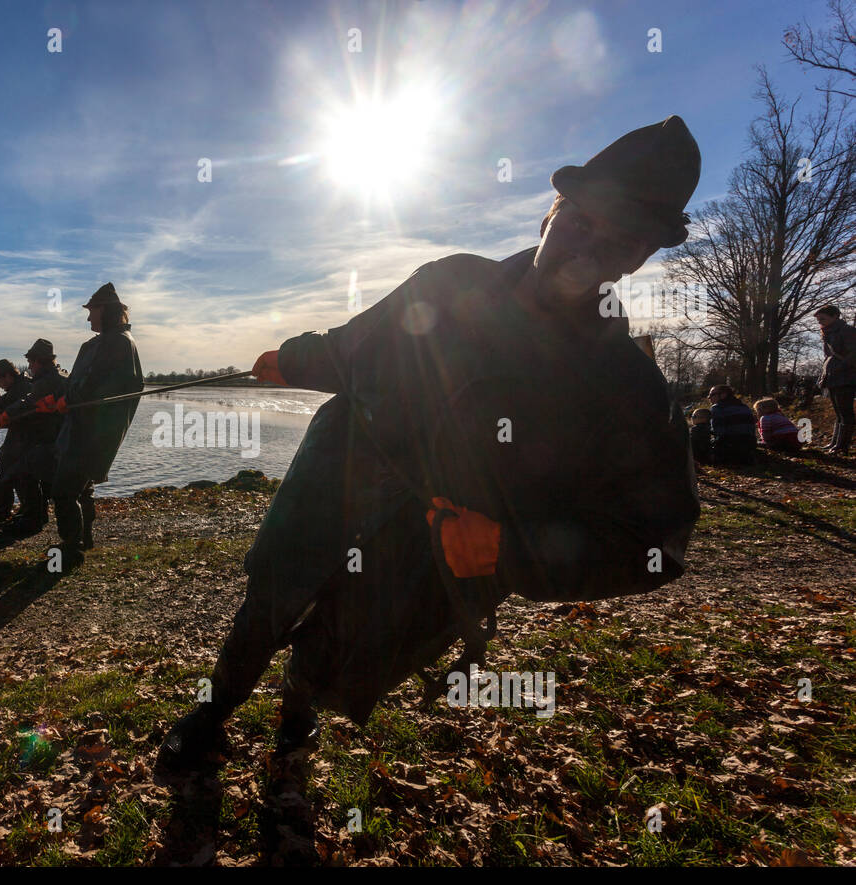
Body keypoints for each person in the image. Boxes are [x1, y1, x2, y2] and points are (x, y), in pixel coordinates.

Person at [159, 116, 704, 770]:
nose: (590, 251)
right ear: (550, 215)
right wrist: (294, 359)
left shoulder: (628, 387)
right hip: (332, 485)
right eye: (583, 222)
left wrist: (512, 550)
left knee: (338, 641)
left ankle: (295, 722)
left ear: (640, 258)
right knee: (268, 603)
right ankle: (212, 713)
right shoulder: (448, 282)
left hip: (422, 565)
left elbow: (656, 541)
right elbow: (352, 349)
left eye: (621, 243)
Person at [44, 285, 143, 569]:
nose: (88, 319)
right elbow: (78, 381)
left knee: (63, 491)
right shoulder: (99, 343)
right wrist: (58, 397)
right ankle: (83, 540)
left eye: (92, 312)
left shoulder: (118, 342)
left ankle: (70, 551)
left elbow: (95, 385)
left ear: (107, 311)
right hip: (81, 429)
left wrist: (69, 400)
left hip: (90, 433)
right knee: (79, 489)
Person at [0, 340, 67, 535]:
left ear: (39, 361)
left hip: (49, 439)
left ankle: (33, 520)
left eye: (31, 362)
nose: (29, 366)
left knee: (24, 473)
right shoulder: (57, 377)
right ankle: (35, 515)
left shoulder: (47, 381)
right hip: (52, 438)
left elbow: (28, 402)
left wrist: (6, 415)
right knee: (40, 480)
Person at [0, 358, 32, 524]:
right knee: (13, 473)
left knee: (10, 473)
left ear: (7, 376)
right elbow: (0, 405)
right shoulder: (20, 386)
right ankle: (17, 509)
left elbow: (4, 407)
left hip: (25, 438)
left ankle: (6, 510)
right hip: (19, 436)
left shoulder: (22, 388)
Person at [816, 305, 856, 456]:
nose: (820, 322)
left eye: (823, 318)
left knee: (845, 413)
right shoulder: (829, 333)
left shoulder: (847, 331)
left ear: (835, 317)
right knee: (839, 413)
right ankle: (835, 443)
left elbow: (853, 354)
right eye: (819, 319)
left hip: (846, 378)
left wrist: (840, 367)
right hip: (833, 377)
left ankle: (842, 446)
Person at [708, 385, 756, 466]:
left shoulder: (717, 408)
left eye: (712, 395)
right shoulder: (744, 407)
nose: (709, 398)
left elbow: (719, 433)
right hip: (749, 447)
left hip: (730, 449)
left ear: (723, 395)